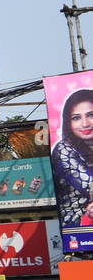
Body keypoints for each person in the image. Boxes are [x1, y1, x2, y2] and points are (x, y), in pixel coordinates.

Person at [53, 88, 93, 228]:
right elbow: (89, 185)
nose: (85, 123)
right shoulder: (63, 150)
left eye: (90, 115)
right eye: (76, 118)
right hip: (77, 225)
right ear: (68, 122)